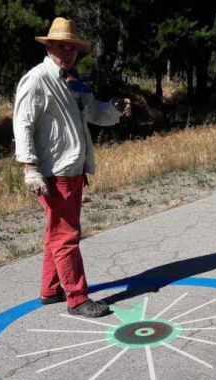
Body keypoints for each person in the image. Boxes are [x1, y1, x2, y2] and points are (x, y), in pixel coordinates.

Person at [13, 17, 131, 317]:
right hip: (53, 172)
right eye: (61, 47)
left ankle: (50, 289)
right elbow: (22, 123)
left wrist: (114, 108)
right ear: (49, 47)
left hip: (73, 169)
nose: (67, 53)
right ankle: (77, 298)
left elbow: (93, 113)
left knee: (57, 231)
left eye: (72, 49)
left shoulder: (74, 80)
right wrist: (29, 168)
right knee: (66, 235)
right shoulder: (37, 79)